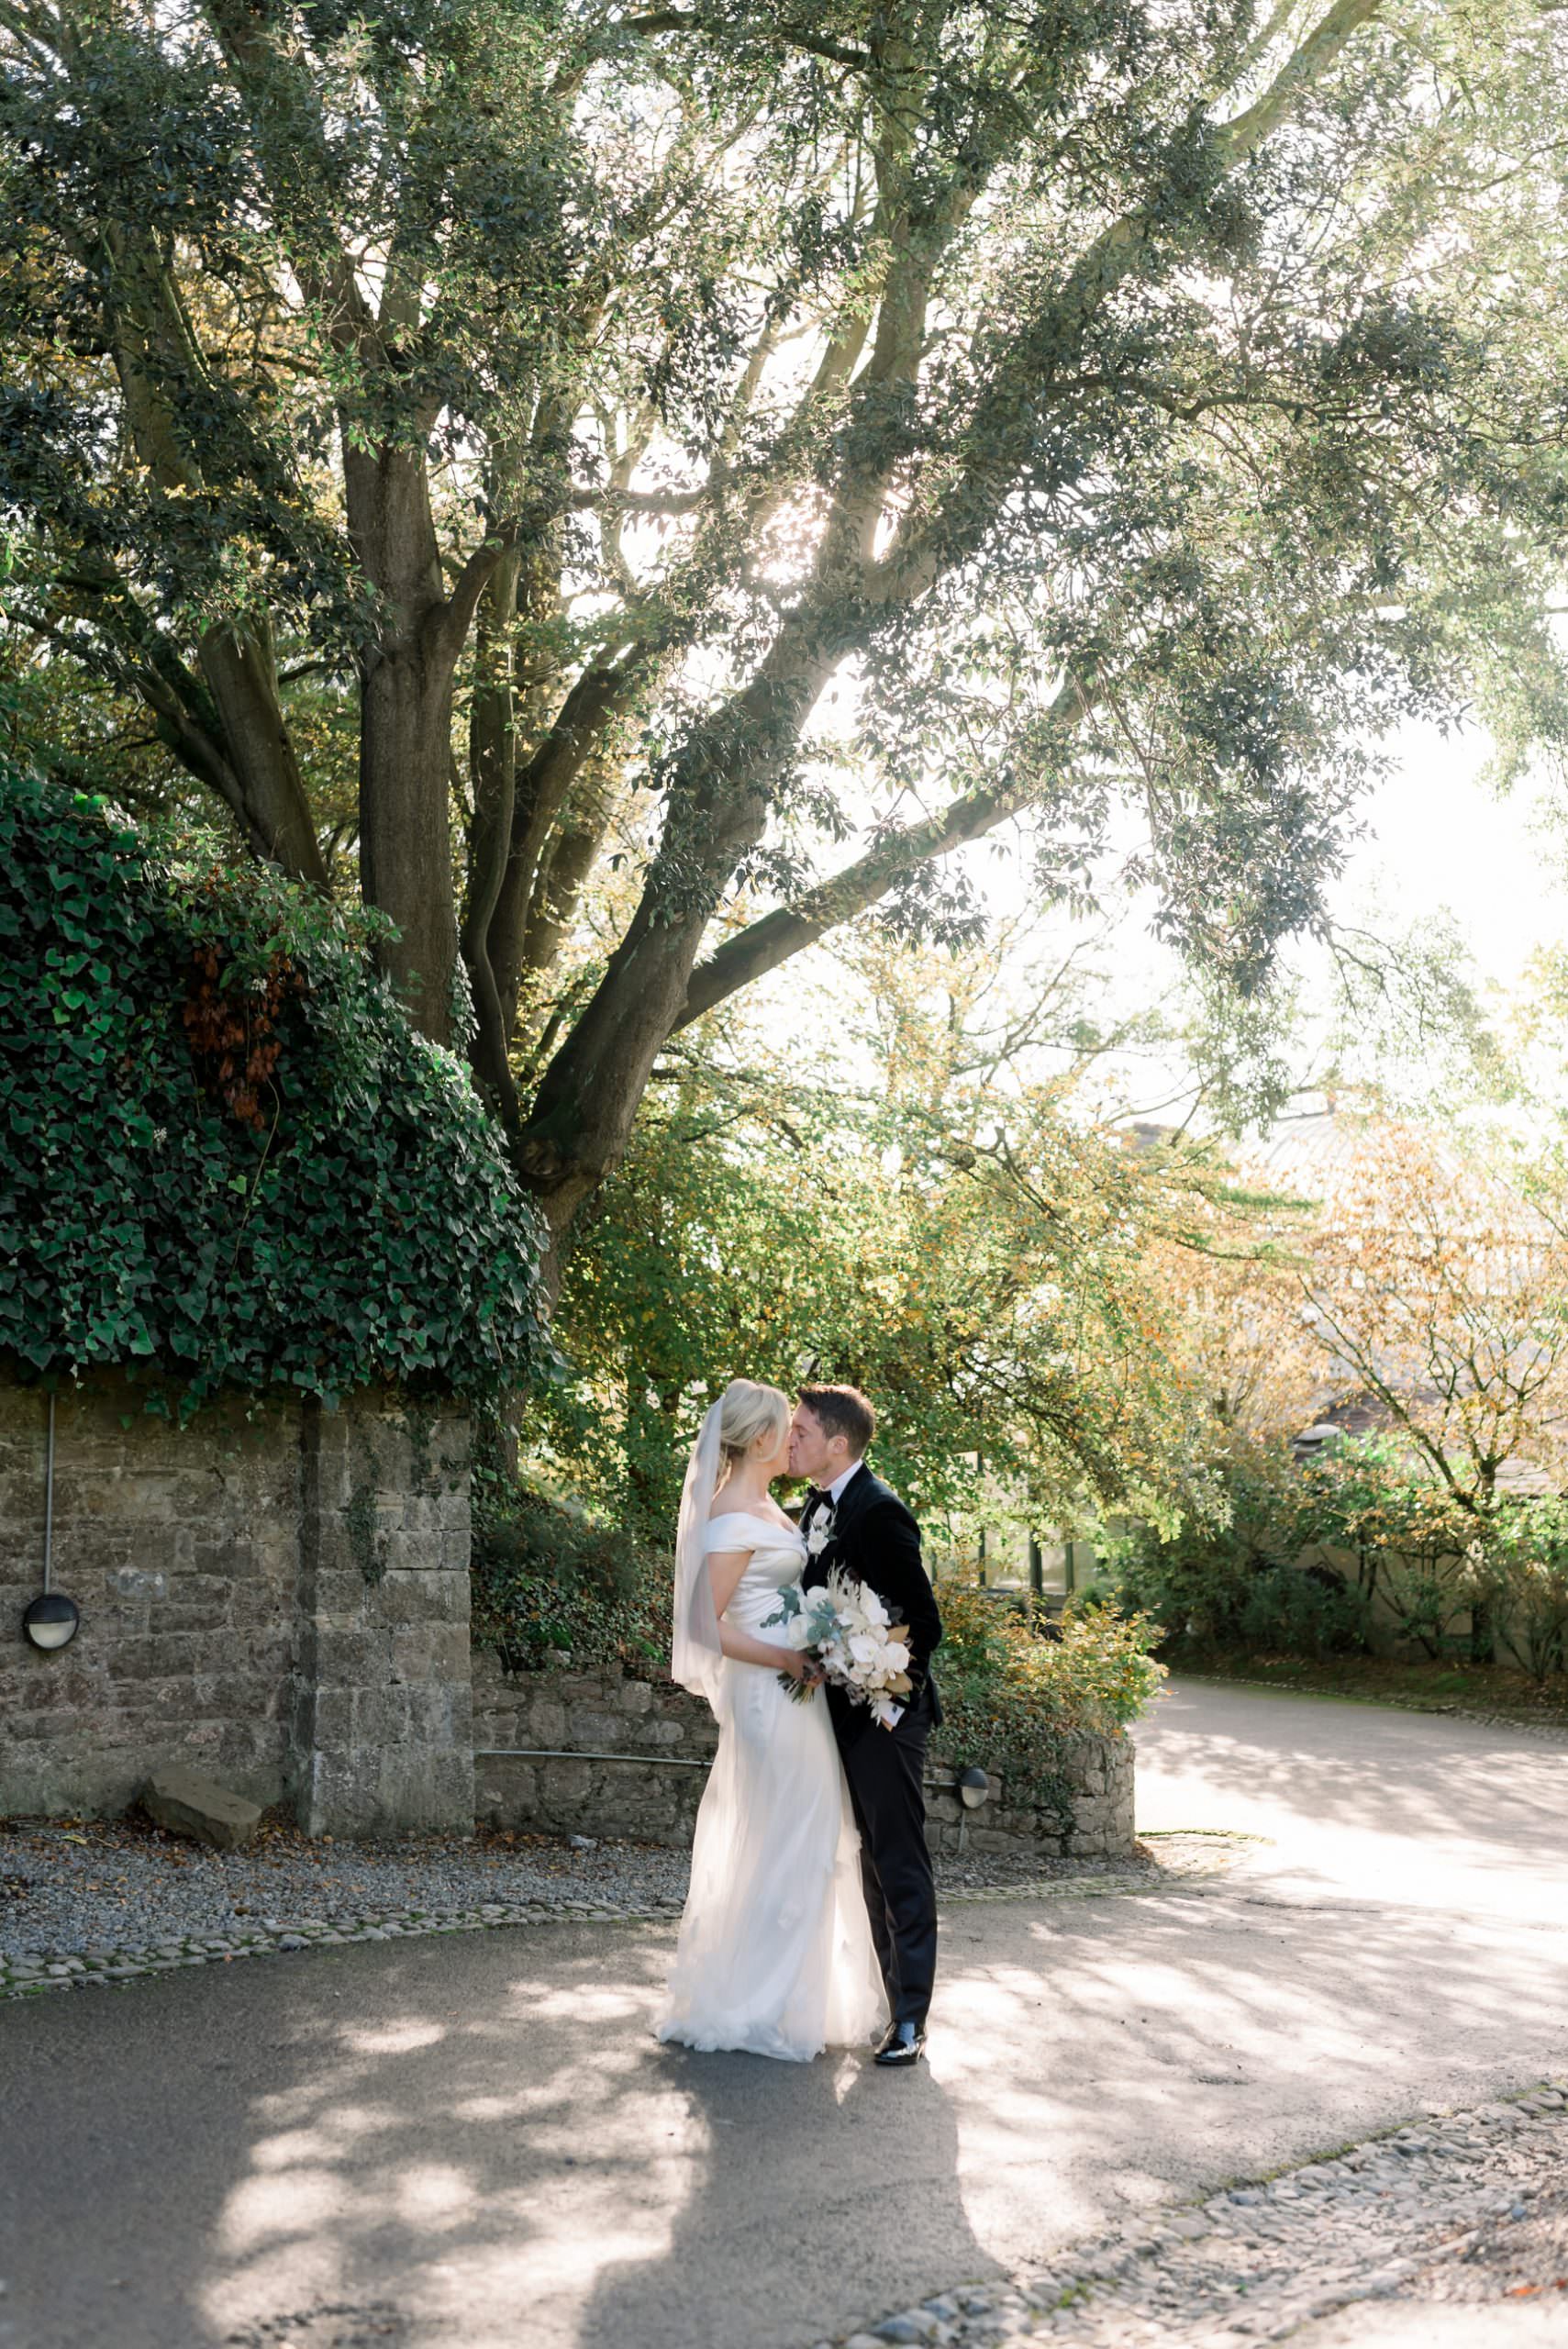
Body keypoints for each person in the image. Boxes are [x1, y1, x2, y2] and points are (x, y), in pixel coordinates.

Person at [654, 1378, 886, 2063]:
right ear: (758, 1439)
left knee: (804, 1835)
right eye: (785, 1428)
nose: (792, 1438)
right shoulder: (728, 1516)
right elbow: (703, 1625)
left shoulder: (768, 1506)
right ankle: (753, 2001)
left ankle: (790, 1997)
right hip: (766, 1694)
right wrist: (785, 1657)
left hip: (796, 1692)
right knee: (788, 1834)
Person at [790, 1383, 943, 2069]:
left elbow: (924, 1624)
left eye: (800, 1432)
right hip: (836, 1715)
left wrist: (873, 1678)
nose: (790, 1441)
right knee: (866, 1866)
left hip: (884, 1716)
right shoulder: (815, 1507)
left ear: (838, 1444)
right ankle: (889, 2005)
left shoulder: (880, 1512)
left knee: (897, 1864)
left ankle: (911, 2020)